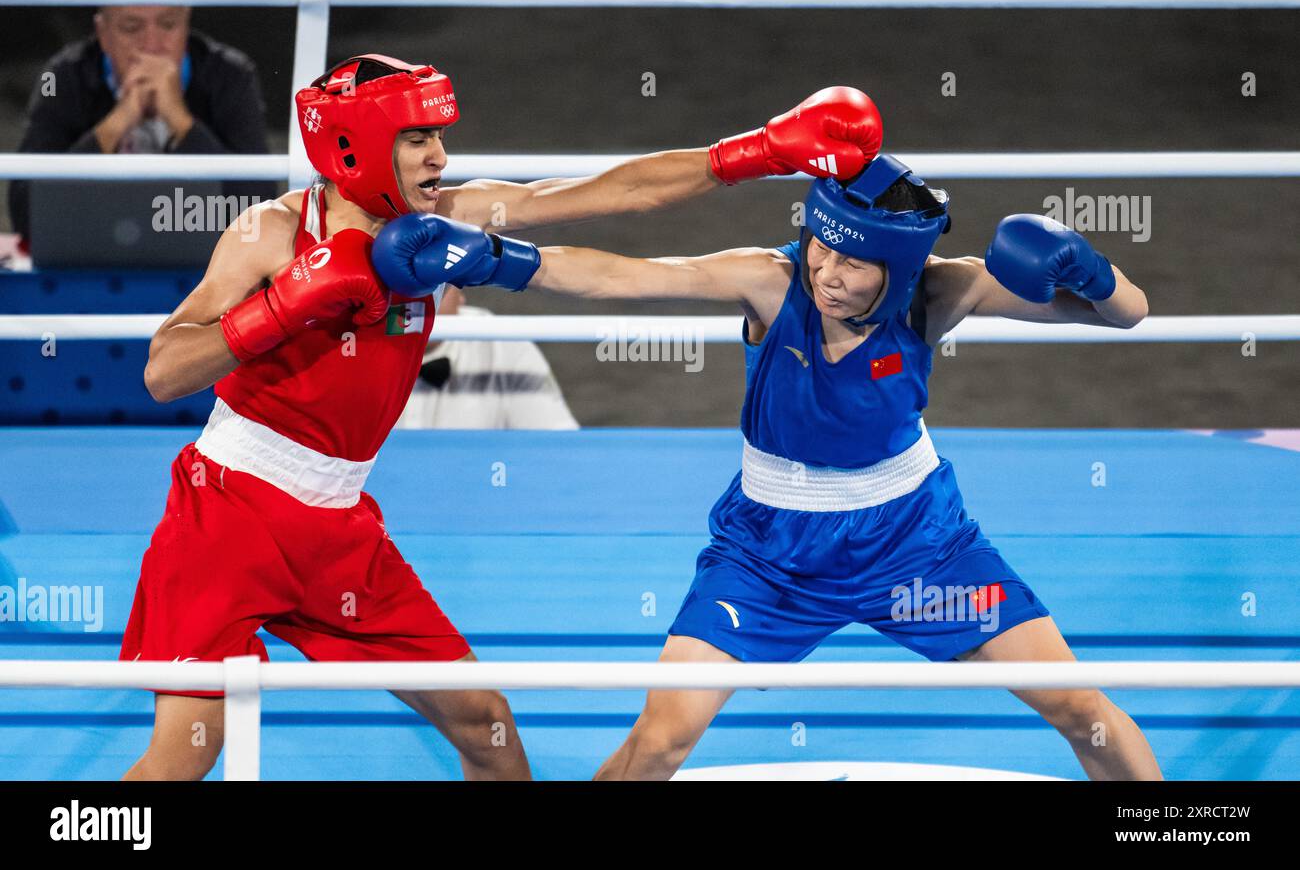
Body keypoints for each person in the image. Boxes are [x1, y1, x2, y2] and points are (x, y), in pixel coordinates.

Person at [122, 50, 884, 779]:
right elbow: (163, 370)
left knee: (485, 723)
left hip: (337, 523)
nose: (439, 156)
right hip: (226, 517)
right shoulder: (274, 234)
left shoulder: (443, 218)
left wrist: (759, 152)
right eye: (417, 137)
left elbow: (613, 191)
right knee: (185, 754)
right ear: (357, 146)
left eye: (439, 135)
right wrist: (285, 305)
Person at [372, 153, 1162, 781]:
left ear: (902, 267)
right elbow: (628, 275)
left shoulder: (941, 292)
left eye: (853, 266)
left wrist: (1089, 269)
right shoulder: (771, 279)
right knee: (660, 741)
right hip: (768, 556)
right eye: (822, 248)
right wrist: (500, 260)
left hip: (919, 545)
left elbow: (1129, 314)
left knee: (1074, 701)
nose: (827, 273)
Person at [7, 0, 274, 245]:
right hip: (94, 257)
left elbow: (258, 213)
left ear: (186, 23)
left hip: (199, 267)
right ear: (103, 33)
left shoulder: (230, 74)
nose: (152, 45)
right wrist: (117, 122)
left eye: (168, 24)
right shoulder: (65, 76)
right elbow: (25, 214)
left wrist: (182, 123)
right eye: (131, 27)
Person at [394, 286, 579, 430]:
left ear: (460, 292)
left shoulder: (506, 346)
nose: (417, 302)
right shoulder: (364, 343)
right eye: (400, 286)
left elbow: (557, 452)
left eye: (434, 286)